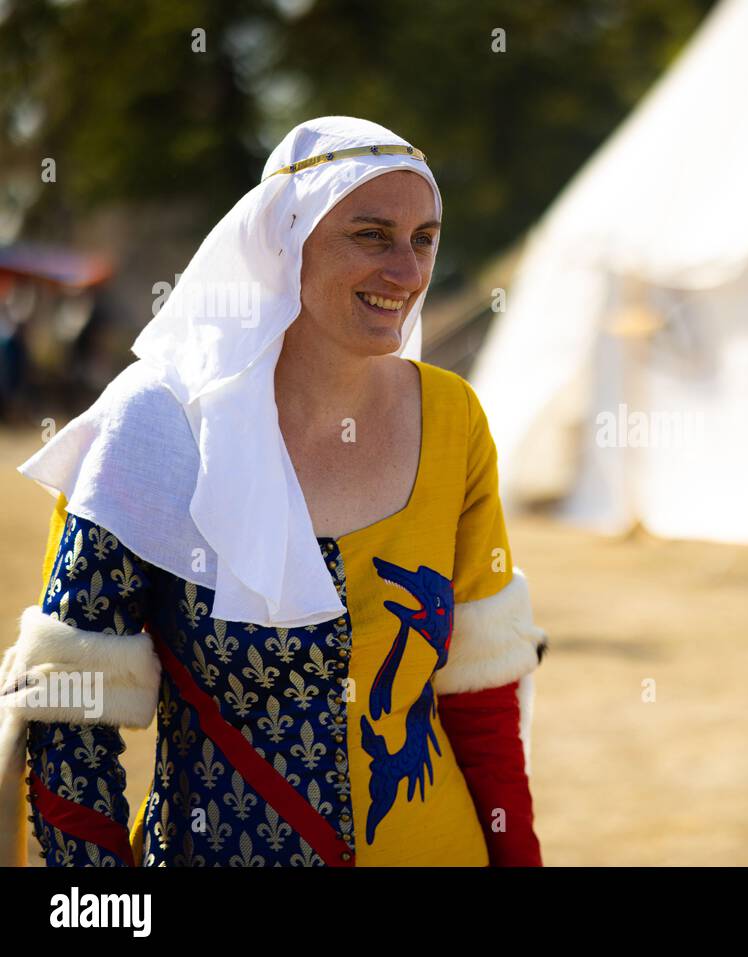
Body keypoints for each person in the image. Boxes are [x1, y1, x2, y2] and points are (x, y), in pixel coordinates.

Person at [0, 117, 548, 867]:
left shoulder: (452, 416)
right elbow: (70, 717)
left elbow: (480, 695)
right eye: (371, 235)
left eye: (423, 239)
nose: (407, 271)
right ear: (283, 240)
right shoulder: (155, 427)